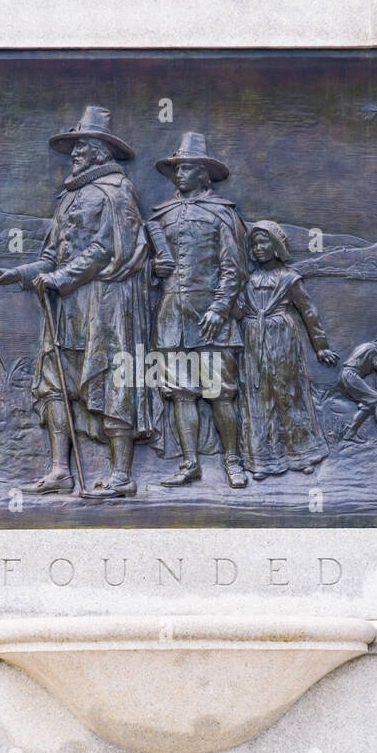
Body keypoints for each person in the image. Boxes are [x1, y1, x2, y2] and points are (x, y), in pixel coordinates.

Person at [0, 106, 153, 498]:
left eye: (82, 146)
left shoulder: (117, 191)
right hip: (65, 305)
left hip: (104, 303)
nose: (74, 153)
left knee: (112, 381)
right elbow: (51, 254)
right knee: (55, 384)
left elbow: (108, 248)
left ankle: (122, 475)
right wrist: (22, 273)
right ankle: (60, 469)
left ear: (99, 150)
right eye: (74, 146)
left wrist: (60, 278)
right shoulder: (69, 196)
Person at [146, 131, 248, 489]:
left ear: (204, 174)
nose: (179, 175)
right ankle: (189, 463)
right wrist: (154, 271)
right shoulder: (163, 215)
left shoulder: (222, 213)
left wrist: (220, 309)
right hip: (172, 314)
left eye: (187, 168)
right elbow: (147, 266)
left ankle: (233, 460)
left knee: (220, 392)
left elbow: (233, 267)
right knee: (181, 393)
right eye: (176, 168)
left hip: (211, 315)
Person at [235, 221, 338, 479]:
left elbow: (309, 312)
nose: (258, 248)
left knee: (289, 394)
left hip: (281, 337)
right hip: (252, 338)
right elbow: (237, 310)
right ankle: (262, 460)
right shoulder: (247, 278)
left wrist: (321, 346)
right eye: (255, 244)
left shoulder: (289, 278)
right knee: (257, 398)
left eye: (264, 242)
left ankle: (303, 454)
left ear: (277, 245)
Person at [336, 327, 377, 447]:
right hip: (351, 376)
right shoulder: (372, 349)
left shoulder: (365, 346)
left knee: (368, 406)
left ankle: (350, 433)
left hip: (346, 376)